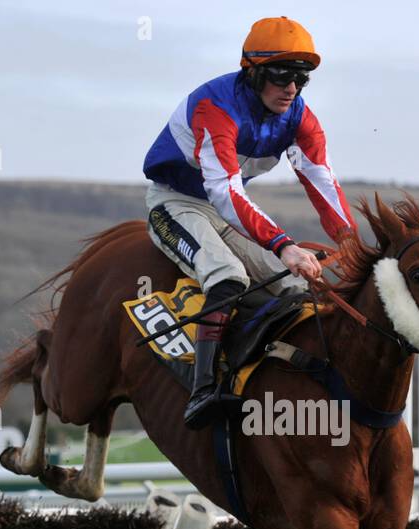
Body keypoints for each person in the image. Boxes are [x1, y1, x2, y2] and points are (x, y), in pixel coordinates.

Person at [142, 16, 358, 429]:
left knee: (296, 286)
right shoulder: (216, 107)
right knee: (228, 278)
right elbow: (226, 191)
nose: (291, 88)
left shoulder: (299, 117)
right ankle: (202, 390)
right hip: (177, 203)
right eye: (281, 75)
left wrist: (350, 241)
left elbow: (321, 181)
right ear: (254, 72)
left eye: (301, 78)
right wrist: (283, 245)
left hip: (229, 211)